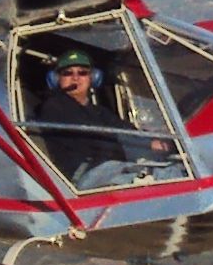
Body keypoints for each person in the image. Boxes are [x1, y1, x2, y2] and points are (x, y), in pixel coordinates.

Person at [36, 48, 185, 189]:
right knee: (163, 177)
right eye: (67, 73)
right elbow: (100, 136)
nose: (75, 77)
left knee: (178, 170)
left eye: (82, 72)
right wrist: (147, 145)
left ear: (93, 78)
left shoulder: (99, 112)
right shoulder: (54, 106)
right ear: (56, 79)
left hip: (112, 167)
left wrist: (153, 139)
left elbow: (124, 129)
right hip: (89, 173)